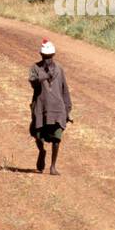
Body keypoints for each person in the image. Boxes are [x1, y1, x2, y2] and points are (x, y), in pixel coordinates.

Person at [29, 38, 71, 175]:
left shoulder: (59, 69)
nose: (47, 59)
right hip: (41, 108)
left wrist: (67, 109)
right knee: (38, 134)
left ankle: (53, 166)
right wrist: (45, 76)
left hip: (58, 109)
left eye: (49, 57)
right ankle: (41, 151)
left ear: (53, 55)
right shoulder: (35, 68)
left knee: (57, 138)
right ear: (41, 55)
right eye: (45, 57)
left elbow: (65, 89)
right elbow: (33, 82)